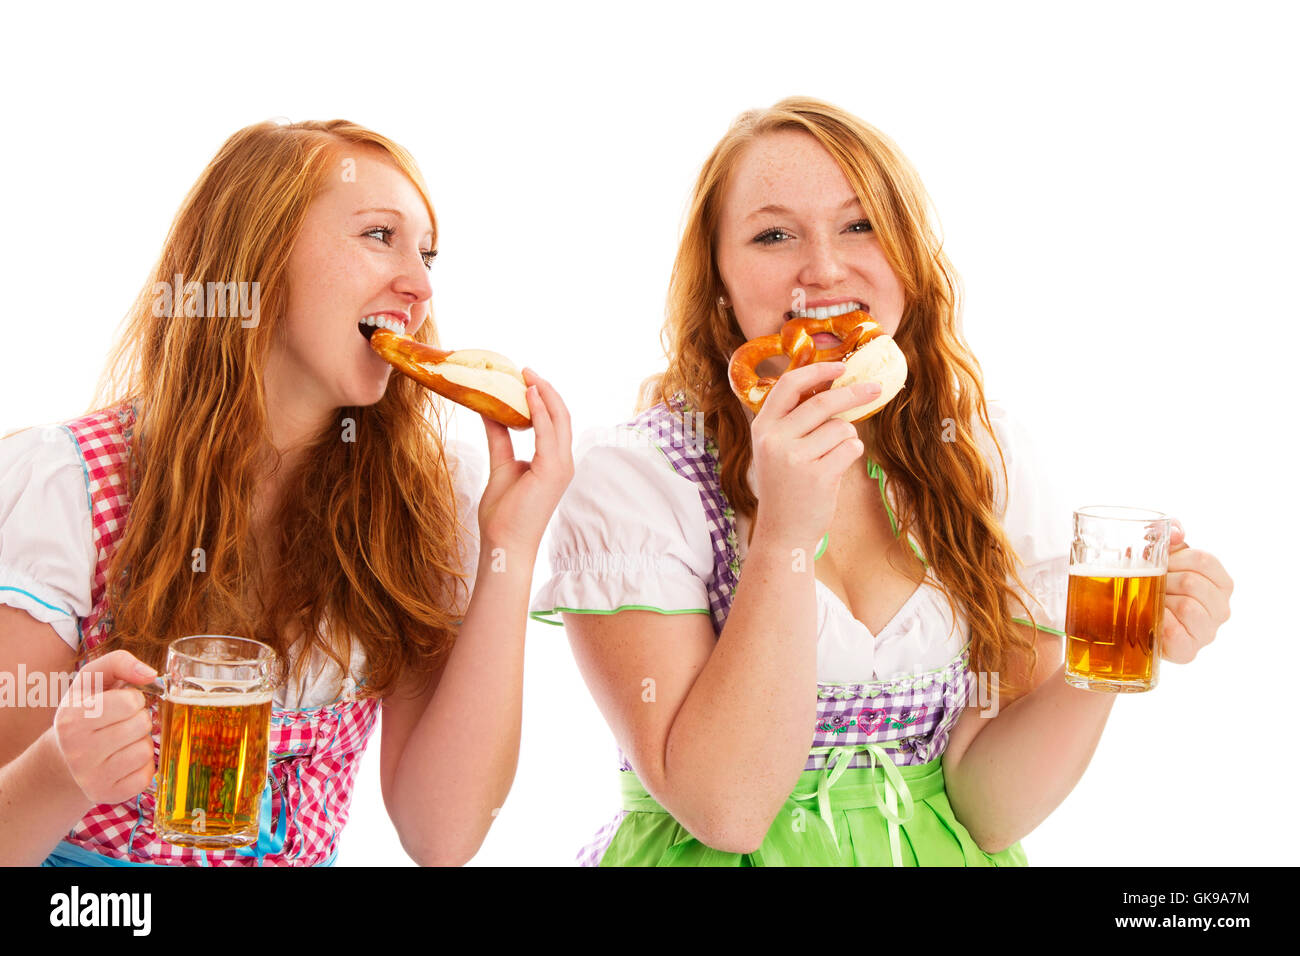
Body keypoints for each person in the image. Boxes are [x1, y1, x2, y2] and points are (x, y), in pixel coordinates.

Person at [530, 97, 1233, 866]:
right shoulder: (639, 479)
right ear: (721, 283)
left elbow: (989, 809)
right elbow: (725, 811)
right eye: (773, 234)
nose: (825, 268)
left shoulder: (981, 457)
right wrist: (786, 536)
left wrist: (1108, 656)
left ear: (906, 258)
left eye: (860, 225)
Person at [0, 119, 573, 866]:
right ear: (258, 260)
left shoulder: (425, 503)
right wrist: (60, 771)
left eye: (427, 254)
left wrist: (511, 546)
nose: (422, 285)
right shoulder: (73, 486)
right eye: (379, 236)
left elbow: (443, 836)